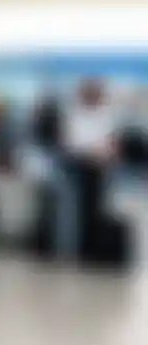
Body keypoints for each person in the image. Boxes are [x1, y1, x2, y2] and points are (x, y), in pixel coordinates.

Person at [59, 79, 120, 259]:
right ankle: (80, 249)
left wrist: (105, 153)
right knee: (80, 211)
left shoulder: (105, 115)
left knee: (98, 209)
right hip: (77, 167)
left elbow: (112, 143)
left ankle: (96, 249)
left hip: (100, 168)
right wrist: (91, 153)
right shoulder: (74, 114)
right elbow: (70, 144)